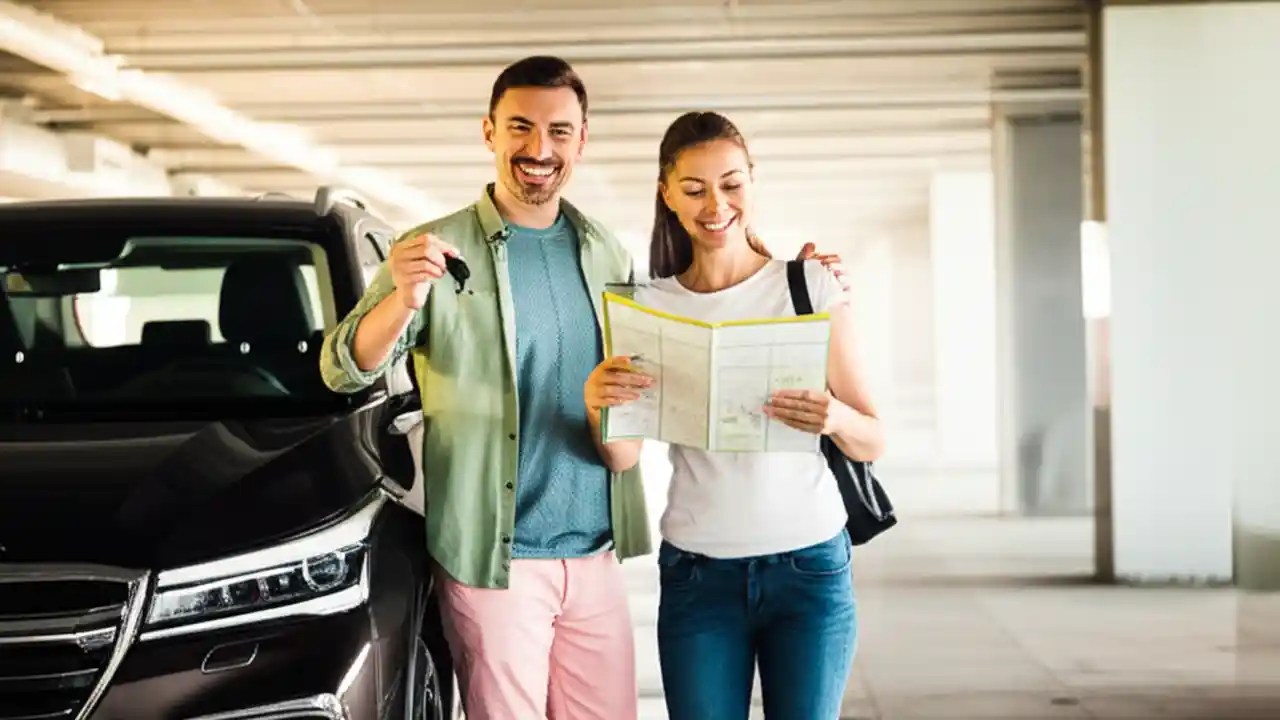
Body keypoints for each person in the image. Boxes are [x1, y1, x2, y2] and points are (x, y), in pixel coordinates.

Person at [583, 111, 886, 720]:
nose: (714, 204)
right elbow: (621, 457)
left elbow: (871, 440)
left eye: (731, 184)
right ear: (667, 195)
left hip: (810, 569)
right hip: (699, 574)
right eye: (693, 189)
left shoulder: (808, 288)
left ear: (752, 182)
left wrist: (832, 418)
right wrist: (596, 403)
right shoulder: (646, 305)